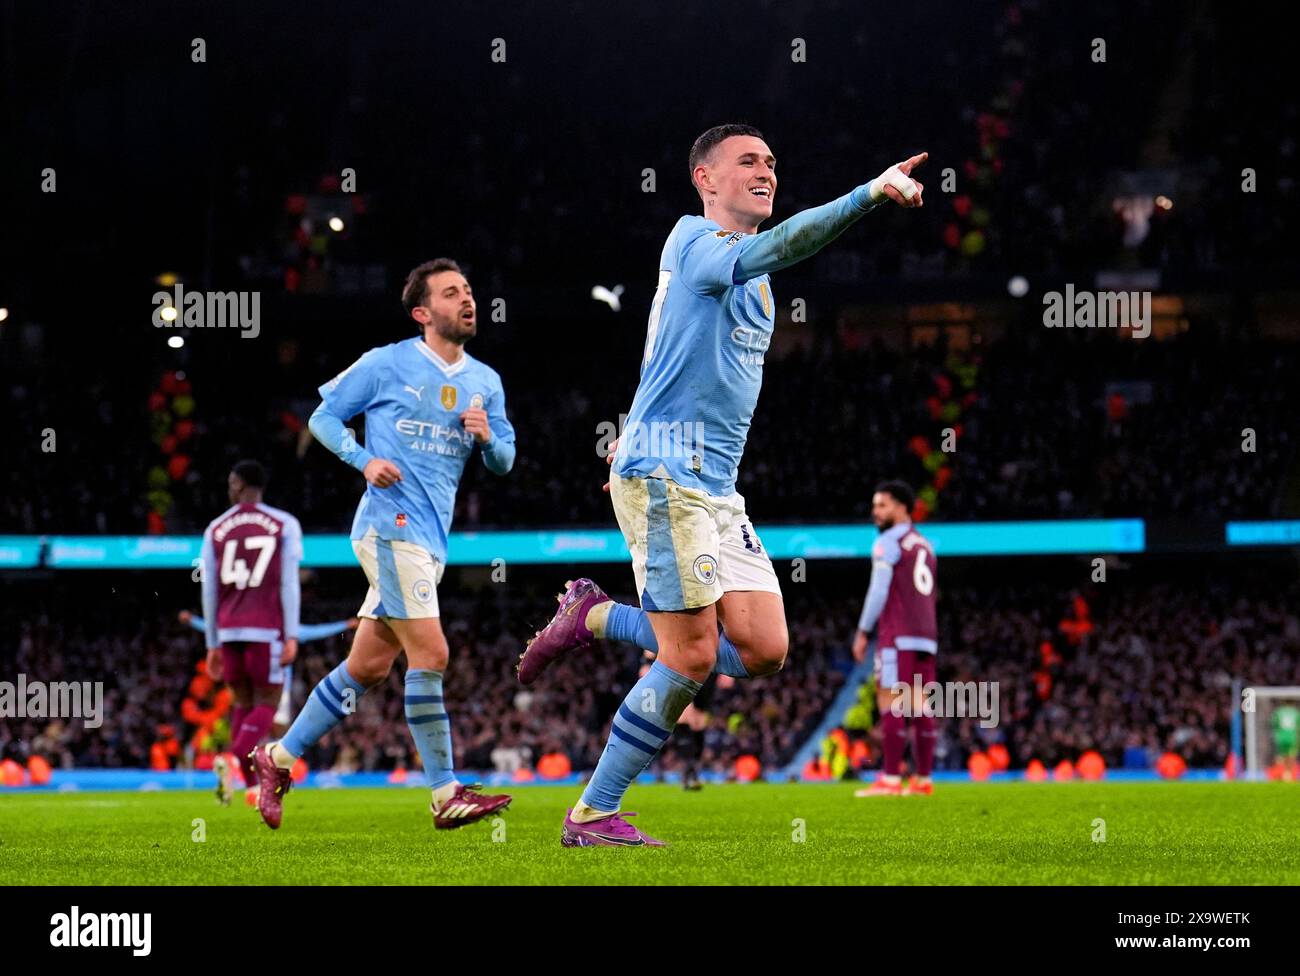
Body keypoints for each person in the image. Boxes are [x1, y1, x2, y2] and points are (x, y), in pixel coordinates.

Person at [517, 124, 927, 845]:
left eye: (771, 160)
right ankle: (592, 813)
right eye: (747, 161)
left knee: (765, 649)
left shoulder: (755, 277)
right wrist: (869, 193)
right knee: (693, 655)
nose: (765, 169)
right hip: (663, 473)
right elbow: (783, 244)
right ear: (705, 179)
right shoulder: (692, 243)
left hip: (716, 489)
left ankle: (594, 616)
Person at [252, 258, 516, 831]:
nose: (466, 299)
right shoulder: (385, 363)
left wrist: (487, 437)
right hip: (389, 528)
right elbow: (322, 419)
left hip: (430, 540)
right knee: (433, 655)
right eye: (451, 293)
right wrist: (363, 459)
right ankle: (444, 792)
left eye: (468, 290)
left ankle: (275, 758)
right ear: (423, 313)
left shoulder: (485, 382)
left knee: (367, 668)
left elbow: (504, 462)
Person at [199, 460, 302, 806]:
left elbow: (209, 590)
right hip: (265, 629)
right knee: (268, 702)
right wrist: (291, 633)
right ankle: (236, 757)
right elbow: (289, 583)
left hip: (228, 632)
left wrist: (212, 642)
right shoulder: (283, 524)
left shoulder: (215, 528)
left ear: (242, 484)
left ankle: (242, 782)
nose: (229, 488)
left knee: (242, 701)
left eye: (231, 482)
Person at [851, 481, 939, 797]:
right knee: (920, 706)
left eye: (883, 505)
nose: (876, 512)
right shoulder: (925, 546)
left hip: (897, 636)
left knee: (891, 704)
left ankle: (890, 780)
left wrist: (863, 632)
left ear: (903, 507)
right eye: (875, 506)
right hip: (926, 638)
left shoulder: (888, 542)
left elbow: (878, 590)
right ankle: (923, 780)